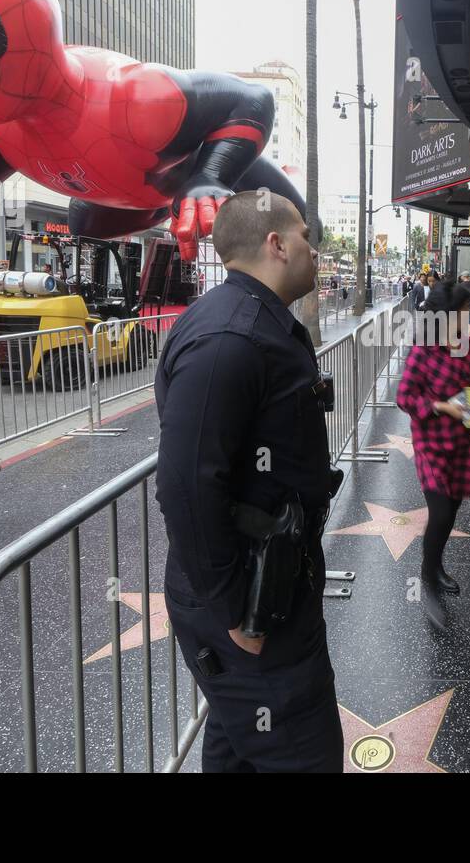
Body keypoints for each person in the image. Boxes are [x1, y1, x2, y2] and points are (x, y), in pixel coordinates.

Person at [155, 190, 344, 772]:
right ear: (277, 243)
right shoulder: (231, 338)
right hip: (251, 606)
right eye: (308, 238)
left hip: (274, 587)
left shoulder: (259, 324)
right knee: (304, 755)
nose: (316, 251)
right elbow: (185, 485)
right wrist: (240, 613)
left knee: (237, 747)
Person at [396, 280, 470, 630]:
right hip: (432, 446)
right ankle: (427, 580)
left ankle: (436, 566)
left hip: (464, 446)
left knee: (449, 513)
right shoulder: (424, 351)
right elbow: (405, 396)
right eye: (465, 311)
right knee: (438, 513)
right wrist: (440, 407)